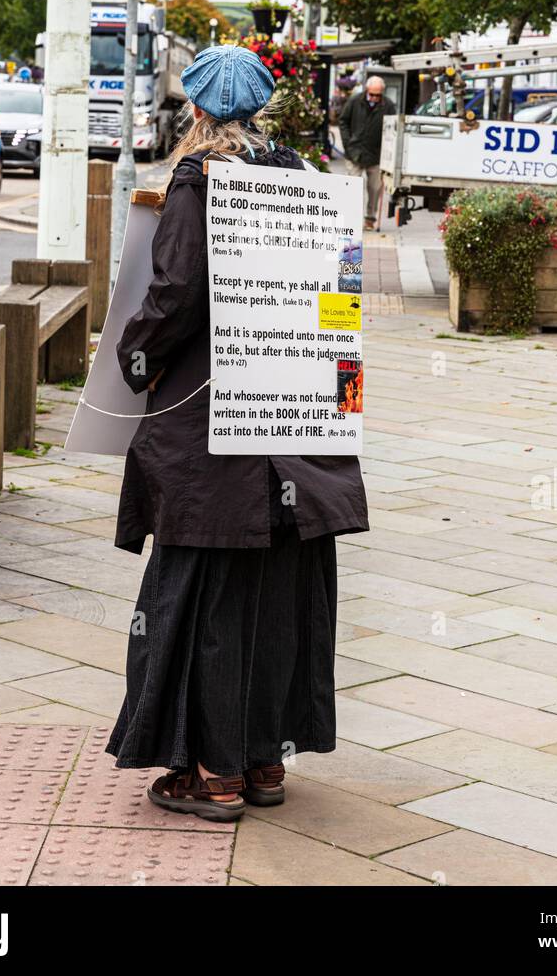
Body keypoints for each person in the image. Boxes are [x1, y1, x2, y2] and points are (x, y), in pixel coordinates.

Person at [106, 44, 369, 822]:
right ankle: (261, 763)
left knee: (205, 593)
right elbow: (340, 295)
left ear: (195, 109)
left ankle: (211, 775)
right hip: (291, 421)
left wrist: (133, 354)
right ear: (261, 110)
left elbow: (176, 291)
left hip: (212, 432)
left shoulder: (199, 180)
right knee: (278, 597)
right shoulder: (303, 181)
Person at [339, 75, 395, 230]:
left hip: (376, 155)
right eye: (372, 94)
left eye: (378, 95)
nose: (375, 98)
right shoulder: (355, 101)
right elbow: (343, 121)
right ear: (366, 90)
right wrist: (347, 144)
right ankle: (351, 217)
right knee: (353, 187)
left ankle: (370, 218)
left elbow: (392, 129)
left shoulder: (388, 105)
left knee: (374, 189)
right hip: (354, 153)